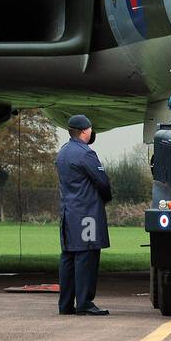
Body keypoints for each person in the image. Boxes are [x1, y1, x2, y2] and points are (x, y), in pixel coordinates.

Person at [55, 114, 112, 315]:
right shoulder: (86, 154)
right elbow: (102, 182)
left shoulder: (62, 153)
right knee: (86, 257)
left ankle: (65, 304)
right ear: (84, 131)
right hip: (87, 214)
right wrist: (105, 198)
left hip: (68, 213)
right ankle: (85, 303)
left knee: (68, 257)